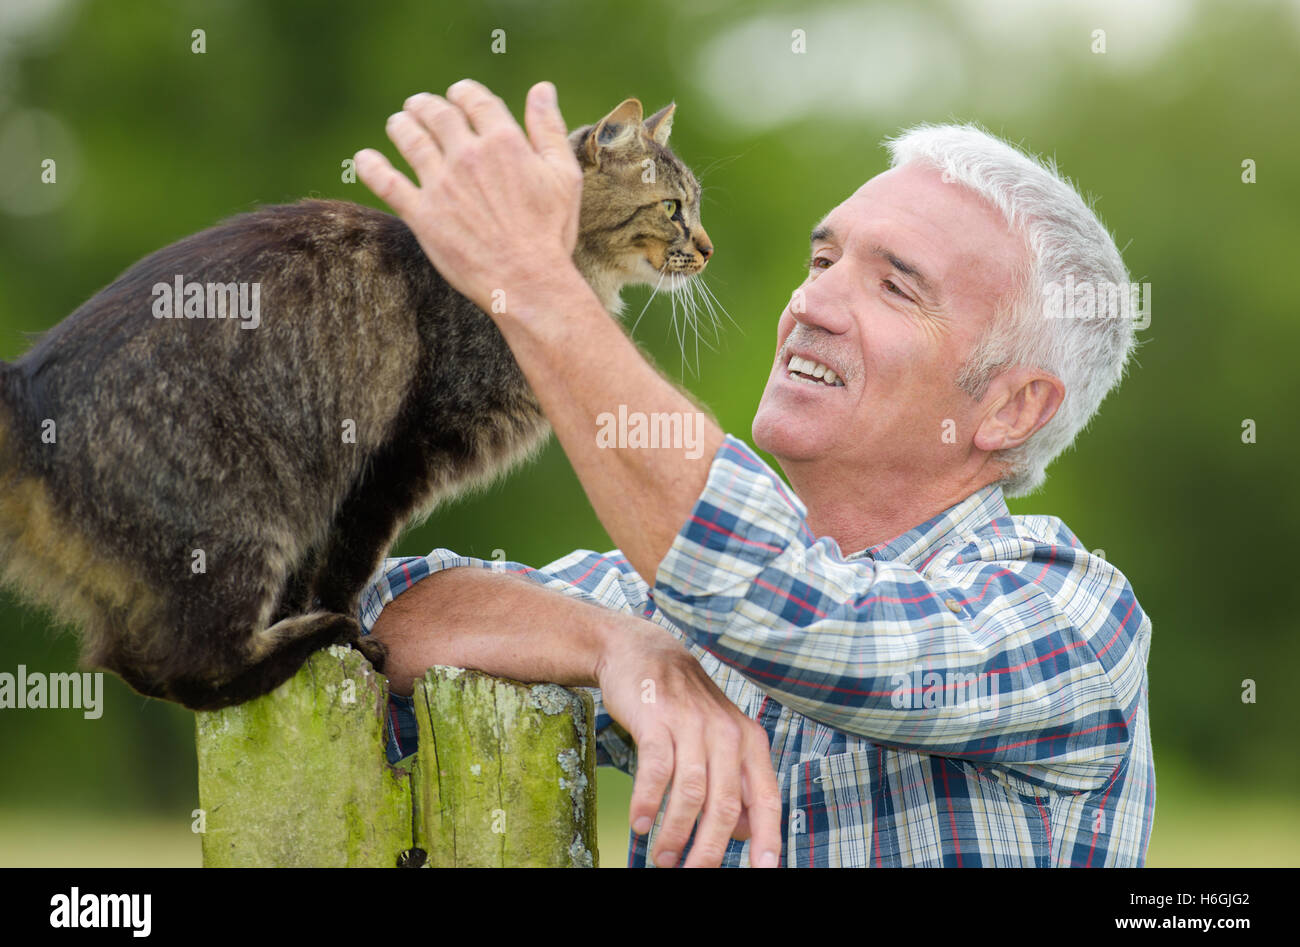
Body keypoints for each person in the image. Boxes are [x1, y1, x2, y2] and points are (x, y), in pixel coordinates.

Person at [351, 79, 1155, 868]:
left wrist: (536, 284)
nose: (811, 301)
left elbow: (791, 609)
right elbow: (375, 615)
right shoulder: (662, 615)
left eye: (895, 286)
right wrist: (615, 644)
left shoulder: (1073, 616)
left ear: (1012, 409)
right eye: (822, 258)